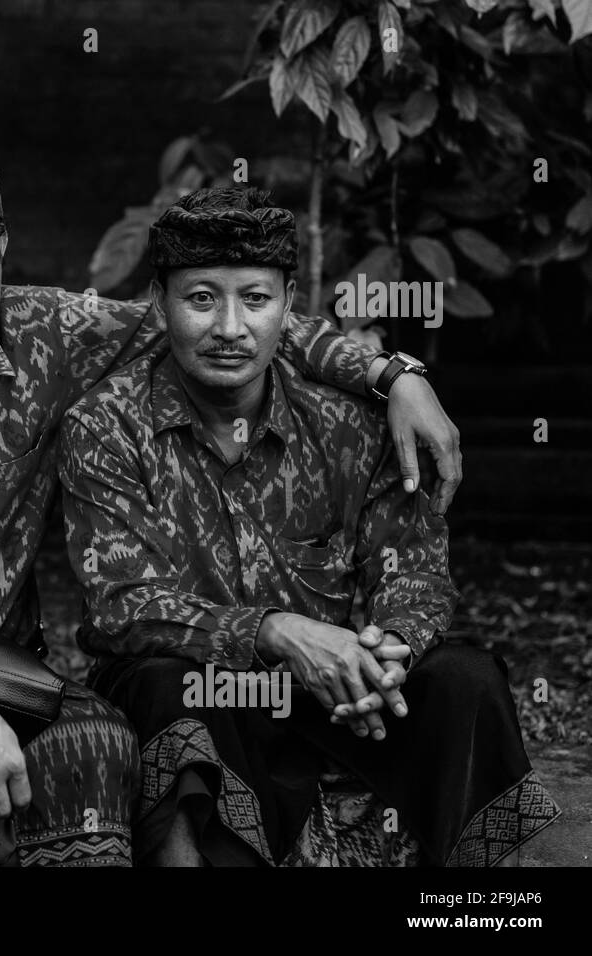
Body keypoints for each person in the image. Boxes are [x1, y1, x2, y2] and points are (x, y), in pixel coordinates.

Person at [0, 129, 465, 865]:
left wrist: (392, 375)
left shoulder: (44, 335)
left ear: (1, 250)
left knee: (99, 743)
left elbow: (222, 312)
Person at [58, 185, 560, 866]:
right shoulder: (107, 424)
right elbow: (121, 605)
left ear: (289, 306)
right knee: (162, 682)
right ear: (161, 302)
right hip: (209, 693)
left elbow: (414, 572)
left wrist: (390, 654)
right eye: (201, 298)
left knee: (465, 678)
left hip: (335, 696)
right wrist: (277, 633)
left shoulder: (352, 421)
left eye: (255, 300)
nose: (230, 327)